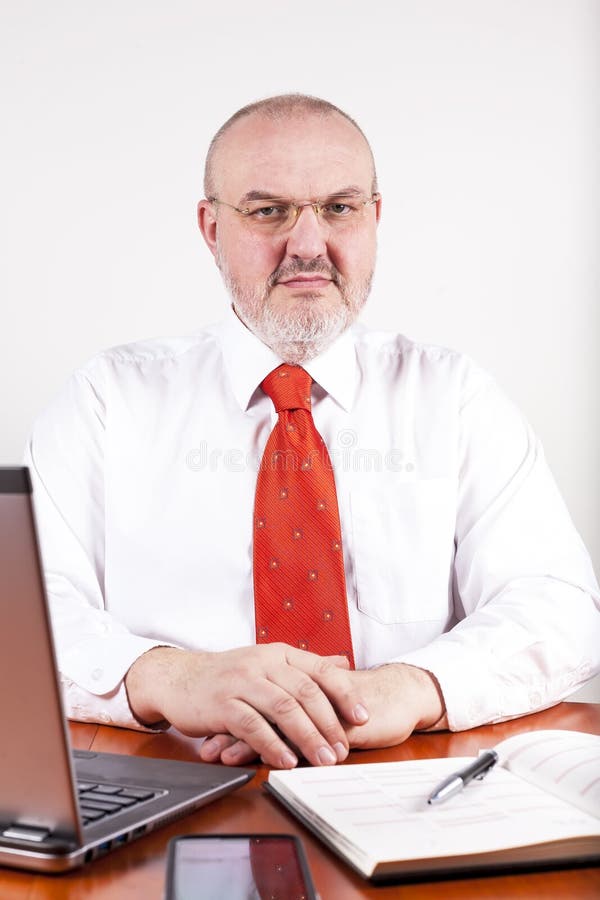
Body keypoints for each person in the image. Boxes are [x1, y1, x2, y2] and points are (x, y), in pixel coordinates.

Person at [26, 94, 600, 771]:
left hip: (409, 786)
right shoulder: (107, 399)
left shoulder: (454, 396)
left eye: (339, 208)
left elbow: (557, 606)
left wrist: (411, 688)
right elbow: (24, 613)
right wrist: (169, 678)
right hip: (174, 780)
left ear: (375, 219)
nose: (307, 245)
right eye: (268, 211)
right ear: (211, 229)